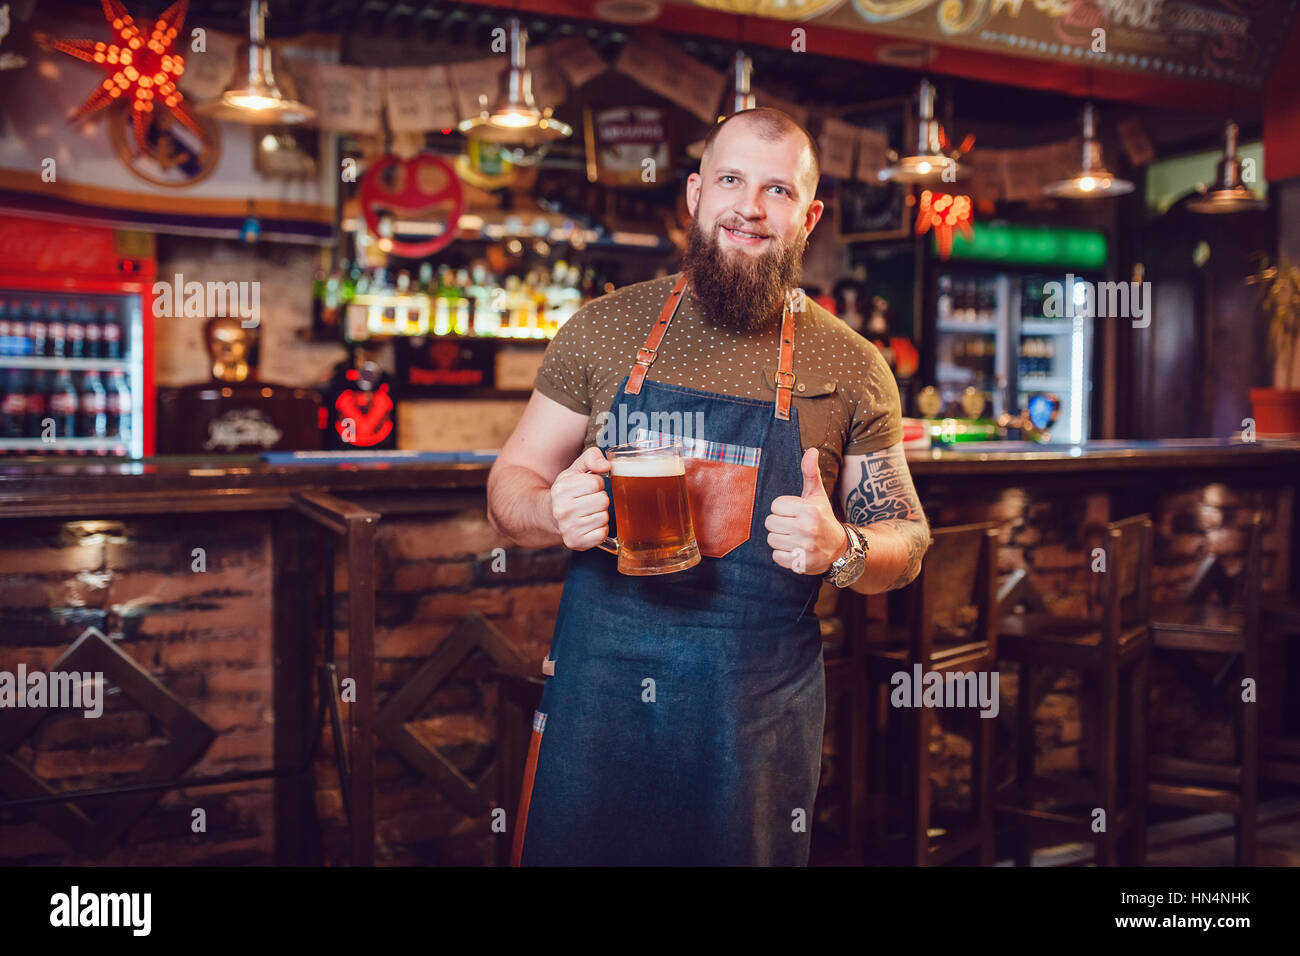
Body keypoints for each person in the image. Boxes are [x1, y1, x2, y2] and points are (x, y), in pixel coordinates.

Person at [487, 107, 931, 866]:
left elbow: (909, 542)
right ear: (695, 193)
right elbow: (509, 487)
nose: (750, 208)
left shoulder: (855, 366)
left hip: (754, 707)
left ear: (810, 216)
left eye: (778, 191)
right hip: (603, 690)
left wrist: (845, 547)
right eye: (730, 180)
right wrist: (549, 511)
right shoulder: (602, 329)